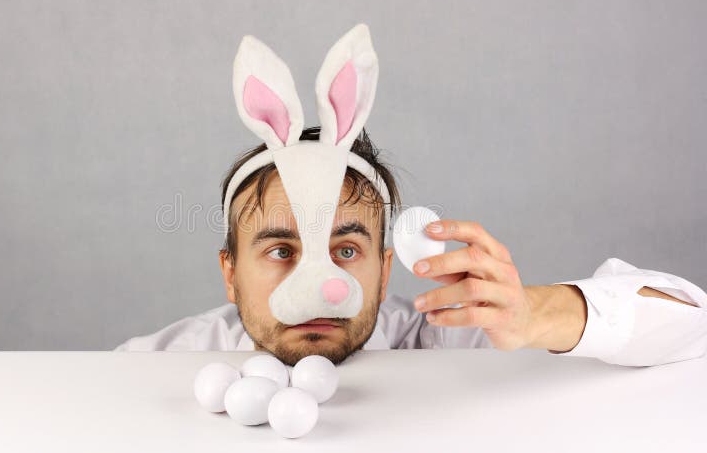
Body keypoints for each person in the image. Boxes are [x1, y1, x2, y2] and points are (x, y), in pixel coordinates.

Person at [115, 126, 707, 367]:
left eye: (346, 250)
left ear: (384, 269)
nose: (316, 285)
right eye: (280, 251)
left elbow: (693, 325)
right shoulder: (162, 366)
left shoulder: (448, 340)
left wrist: (536, 313)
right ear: (230, 273)